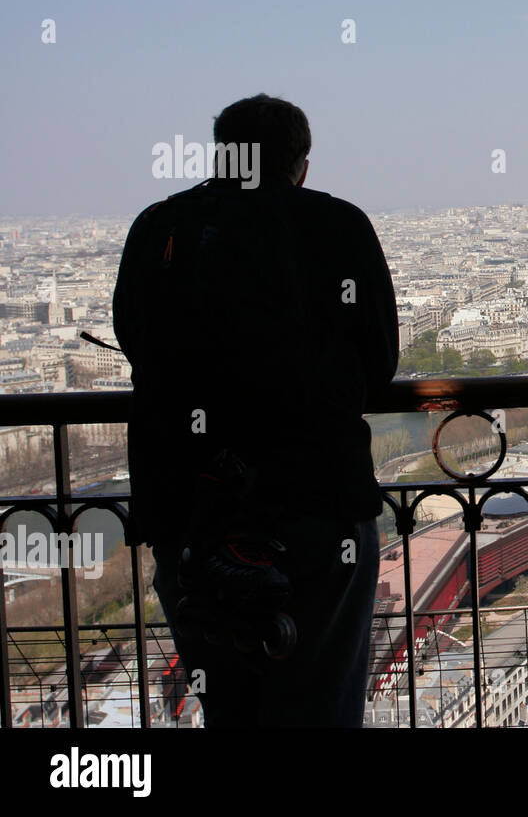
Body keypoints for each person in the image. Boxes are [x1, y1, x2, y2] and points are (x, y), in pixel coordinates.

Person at [113, 94, 398, 726]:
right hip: (315, 500)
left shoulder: (159, 229)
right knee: (321, 701)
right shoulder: (338, 227)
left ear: (222, 153)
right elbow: (379, 362)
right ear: (301, 164)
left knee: (231, 709)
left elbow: (138, 343)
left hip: (190, 507)